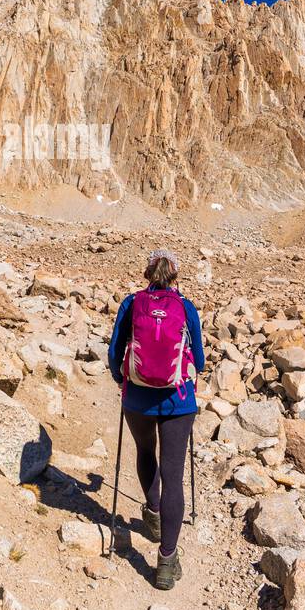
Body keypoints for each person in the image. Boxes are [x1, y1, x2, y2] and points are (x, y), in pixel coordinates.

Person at [107, 249, 205, 590]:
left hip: (137, 400)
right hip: (179, 401)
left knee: (146, 453)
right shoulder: (186, 307)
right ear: (175, 277)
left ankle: (152, 512)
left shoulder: (131, 304)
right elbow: (202, 362)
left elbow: (114, 353)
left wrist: (124, 381)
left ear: (147, 274)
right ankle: (166, 562)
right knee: (174, 474)